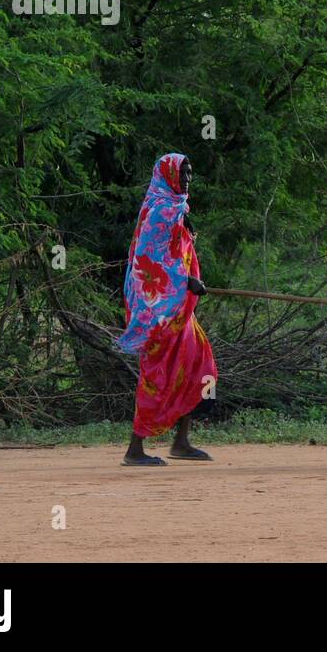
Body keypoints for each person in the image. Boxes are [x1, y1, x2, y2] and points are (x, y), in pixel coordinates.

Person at [117, 152, 218, 466]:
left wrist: (189, 283)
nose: (187, 179)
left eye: (190, 173)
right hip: (159, 312)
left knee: (198, 368)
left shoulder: (178, 208)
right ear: (167, 175)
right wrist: (185, 281)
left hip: (180, 311)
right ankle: (135, 449)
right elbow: (147, 261)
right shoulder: (160, 211)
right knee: (157, 375)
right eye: (182, 173)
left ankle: (181, 442)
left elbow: (177, 253)